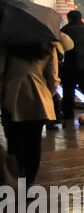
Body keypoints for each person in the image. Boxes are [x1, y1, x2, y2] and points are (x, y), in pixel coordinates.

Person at [0, 40, 59, 183]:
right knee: (33, 143)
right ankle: (28, 183)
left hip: (12, 97)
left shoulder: (8, 44)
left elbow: (1, 73)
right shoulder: (48, 45)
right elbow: (53, 77)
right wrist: (47, 95)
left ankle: (15, 180)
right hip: (38, 98)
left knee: (14, 143)